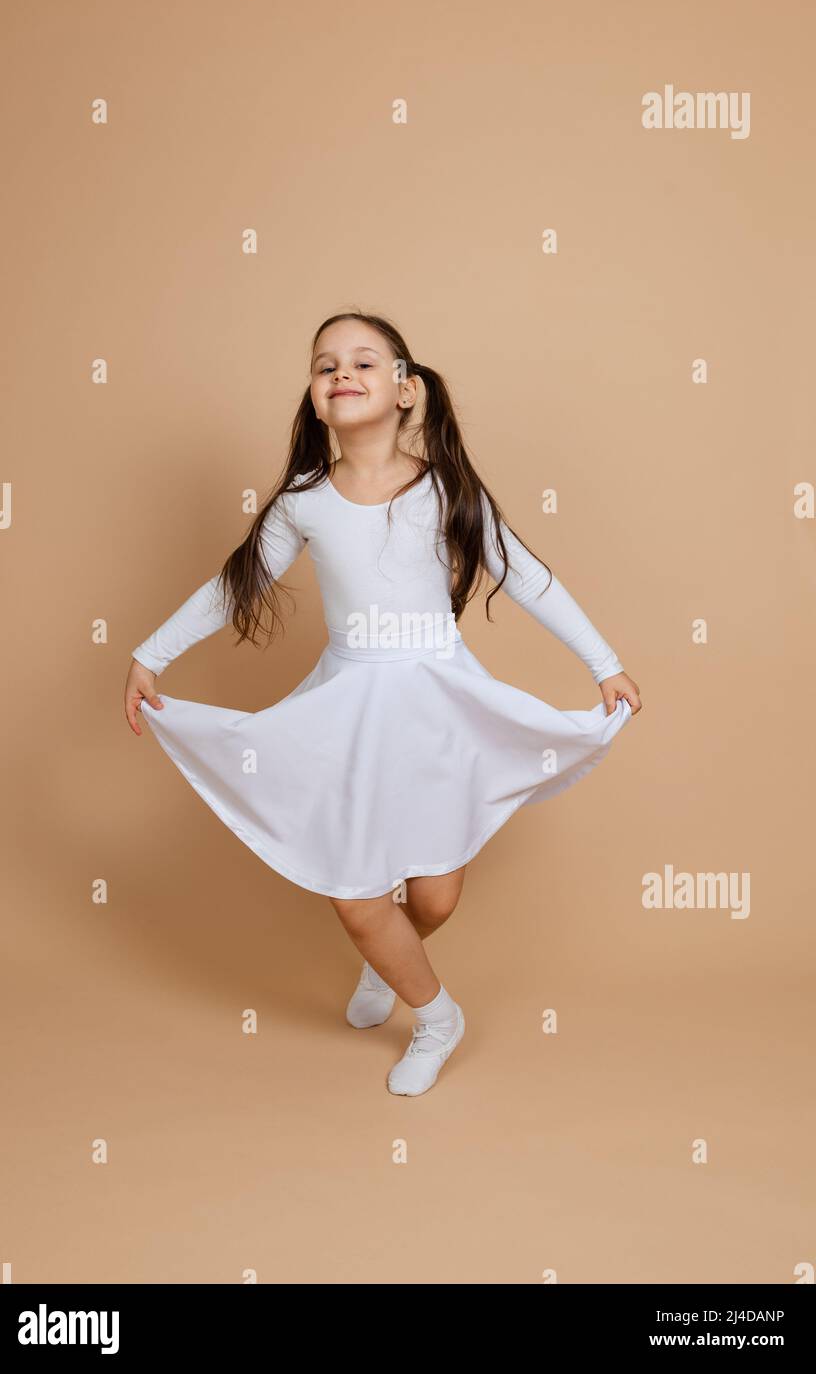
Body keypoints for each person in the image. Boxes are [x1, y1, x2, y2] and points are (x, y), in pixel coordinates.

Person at [124, 310, 642, 1097]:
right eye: (325, 364)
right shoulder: (304, 501)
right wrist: (149, 654)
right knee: (358, 895)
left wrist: (603, 664)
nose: (342, 373)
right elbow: (235, 586)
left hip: (437, 702)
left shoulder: (445, 488)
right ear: (314, 393)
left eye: (364, 362)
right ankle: (436, 1016)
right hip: (347, 711)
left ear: (406, 389)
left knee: (435, 895)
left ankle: (390, 967)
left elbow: (525, 573)